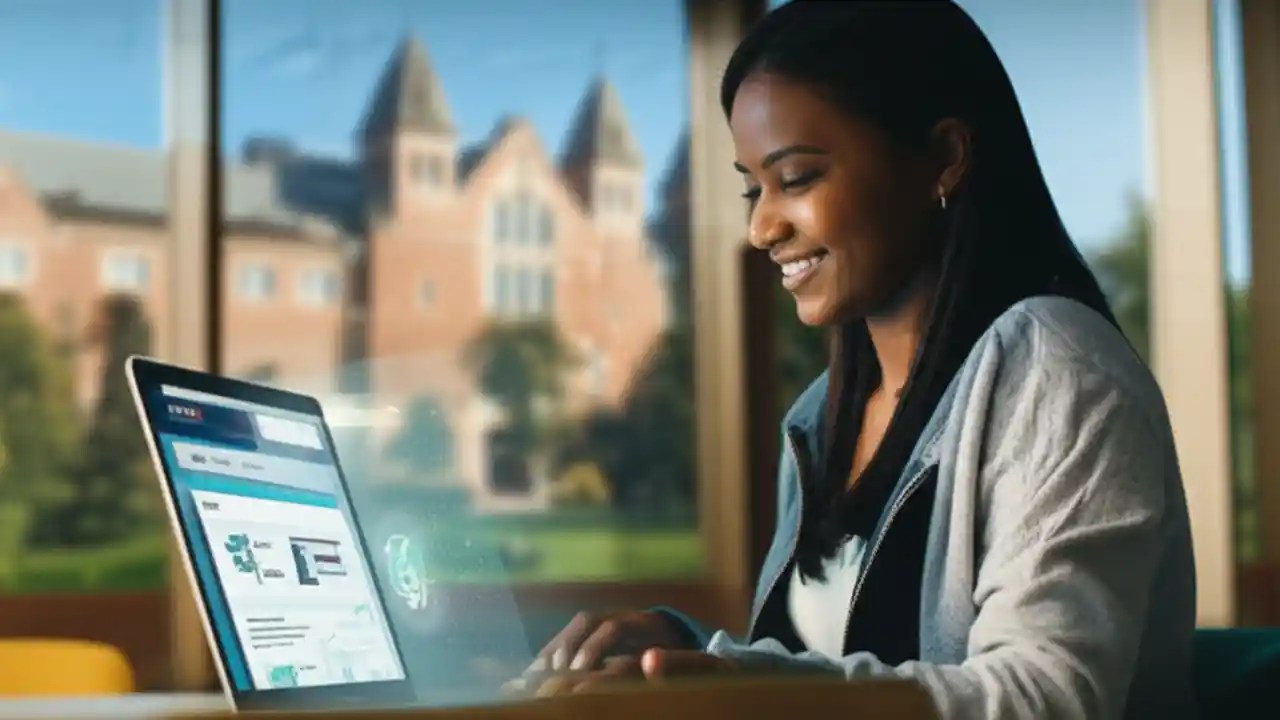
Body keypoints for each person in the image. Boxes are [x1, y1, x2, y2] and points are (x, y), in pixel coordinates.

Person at [519, 1, 1197, 717]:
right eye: (754, 188)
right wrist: (685, 653)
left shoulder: (1058, 369)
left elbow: (1048, 697)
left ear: (943, 158)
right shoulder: (820, 417)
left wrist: (734, 687)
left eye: (798, 178)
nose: (760, 227)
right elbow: (831, 670)